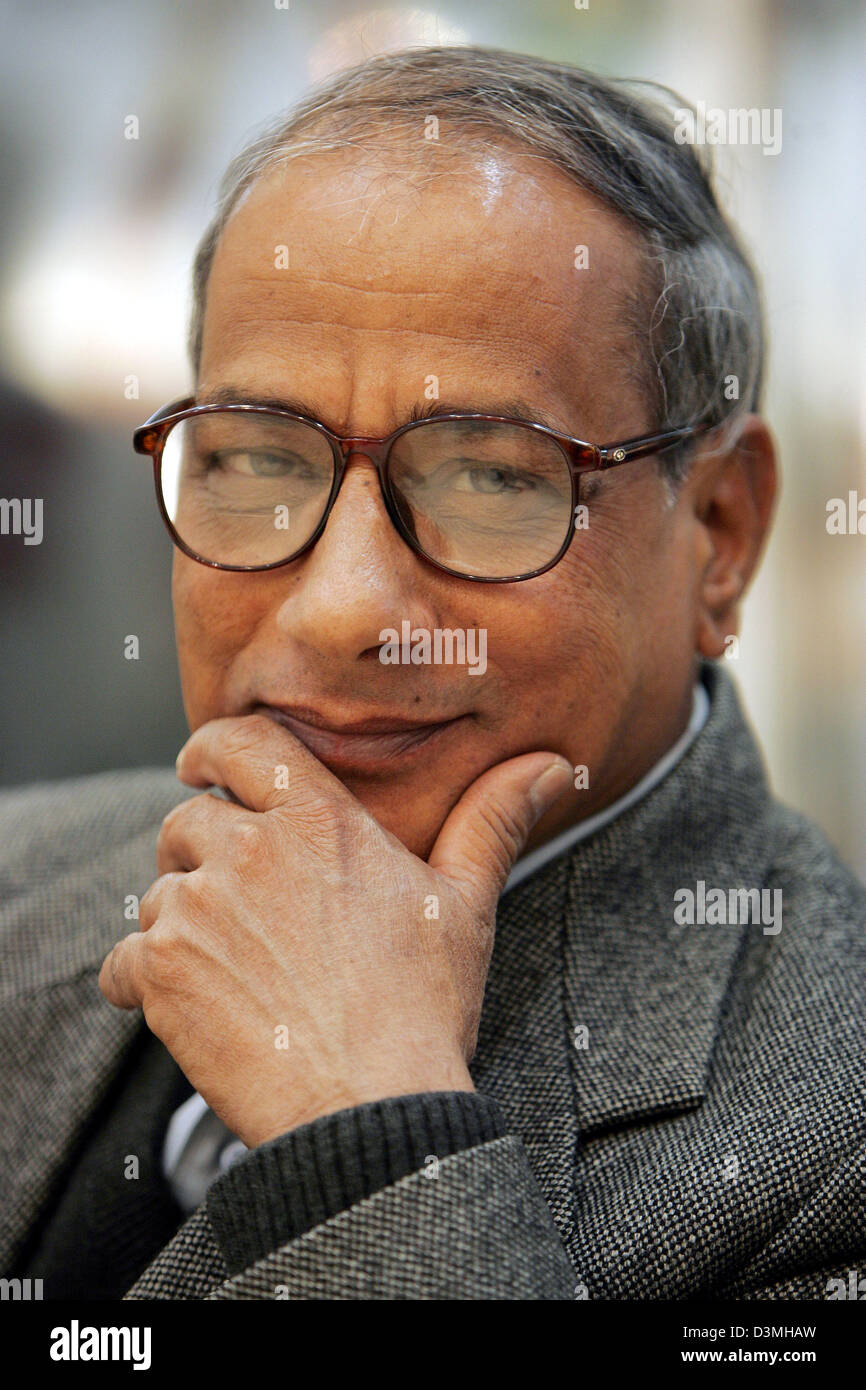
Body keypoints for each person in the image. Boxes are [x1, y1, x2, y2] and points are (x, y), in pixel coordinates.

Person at [2, 46, 863, 1301]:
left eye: (491, 476)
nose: (342, 606)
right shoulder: (22, 875)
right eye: (257, 461)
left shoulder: (830, 1130)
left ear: (720, 532)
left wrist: (366, 1144)